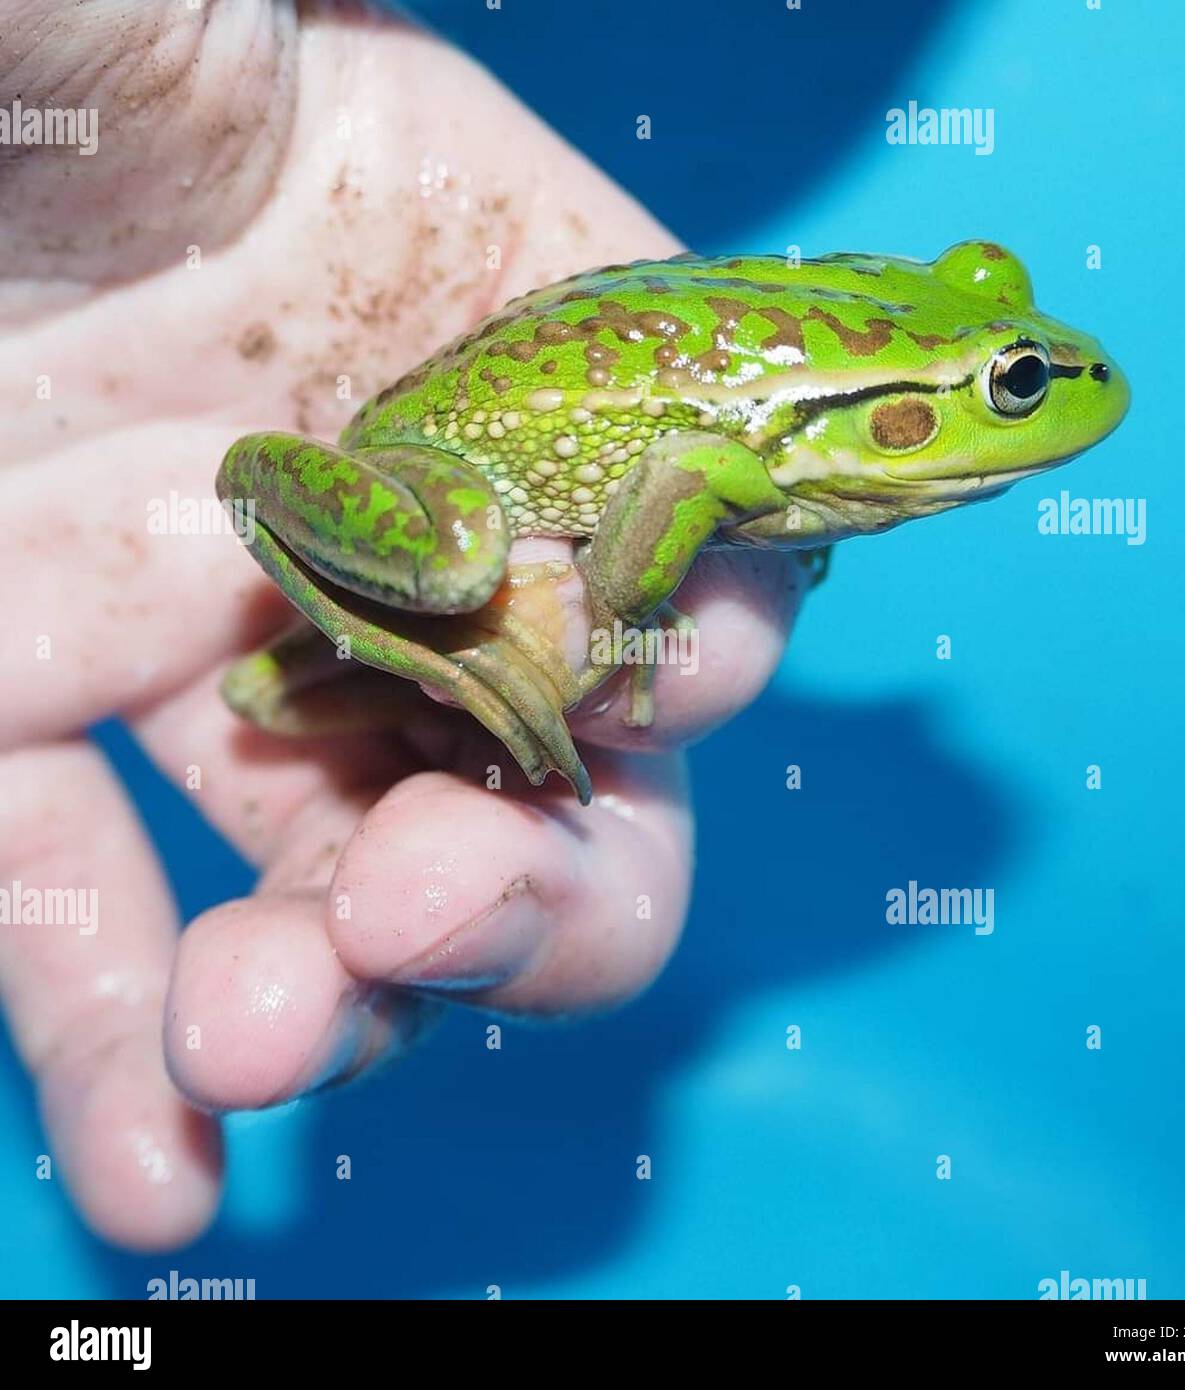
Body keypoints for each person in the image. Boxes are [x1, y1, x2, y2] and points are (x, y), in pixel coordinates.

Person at [0, 1, 811, 1249]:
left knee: (494, 810)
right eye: (1011, 383)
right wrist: (615, 613)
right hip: (438, 477)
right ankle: (406, 648)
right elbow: (659, 515)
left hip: (433, 412)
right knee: (467, 567)